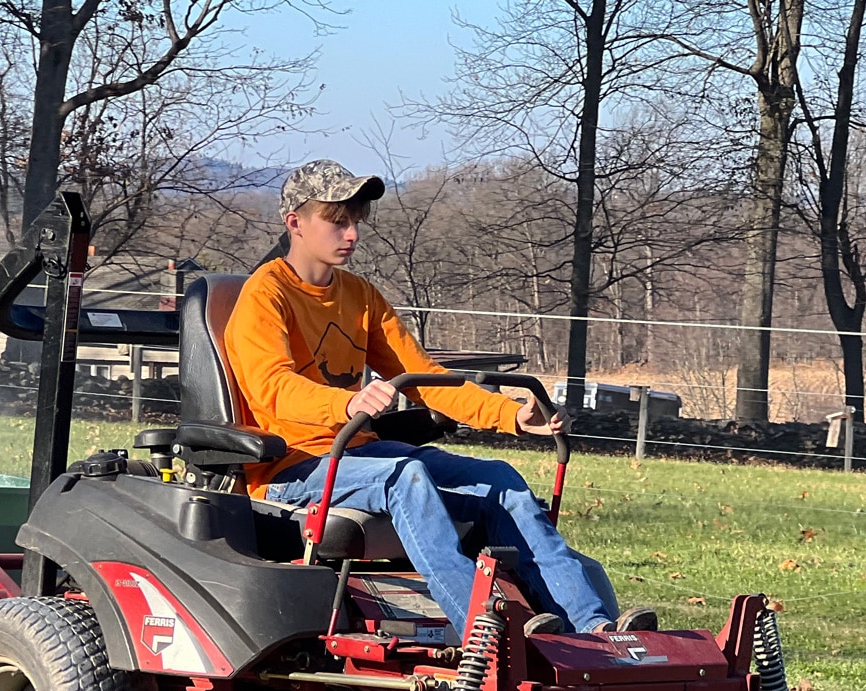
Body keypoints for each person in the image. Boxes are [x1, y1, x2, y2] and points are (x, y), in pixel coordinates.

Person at [222, 159, 656, 638]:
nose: (352, 234)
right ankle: (483, 633)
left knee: (501, 480)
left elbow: (424, 377)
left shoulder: (360, 295)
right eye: (338, 221)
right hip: (292, 468)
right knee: (405, 476)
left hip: (359, 454)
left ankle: (593, 630)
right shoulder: (265, 294)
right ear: (295, 223)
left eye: (356, 221)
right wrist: (345, 404)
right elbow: (272, 387)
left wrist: (512, 416)